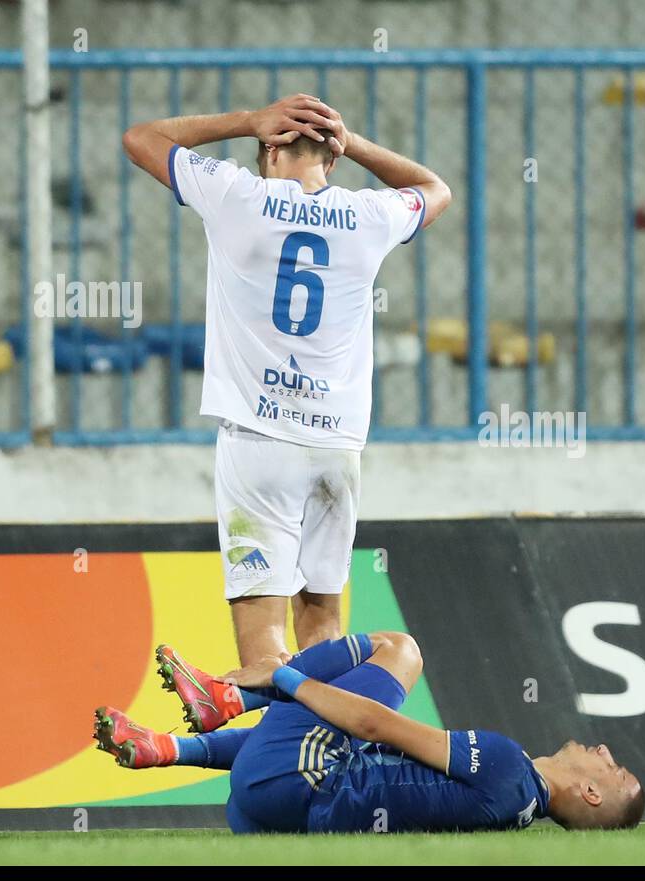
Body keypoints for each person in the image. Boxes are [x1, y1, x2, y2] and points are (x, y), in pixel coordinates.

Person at [122, 95, 450, 665]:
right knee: (322, 627)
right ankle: (326, 746)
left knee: (262, 644)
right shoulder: (370, 215)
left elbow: (141, 138)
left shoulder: (237, 195)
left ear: (270, 149)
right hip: (336, 446)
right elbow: (435, 188)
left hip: (258, 440)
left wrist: (246, 120)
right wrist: (353, 143)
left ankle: (247, 722)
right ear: (334, 158)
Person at [94, 636, 645, 833]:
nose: (604, 750)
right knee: (335, 738)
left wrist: (284, 677)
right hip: (264, 814)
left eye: (612, 768)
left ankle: (233, 697)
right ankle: (167, 749)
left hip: (299, 783)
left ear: (591, 794)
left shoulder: (506, 764)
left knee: (400, 651)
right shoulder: (517, 807)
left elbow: (377, 722)